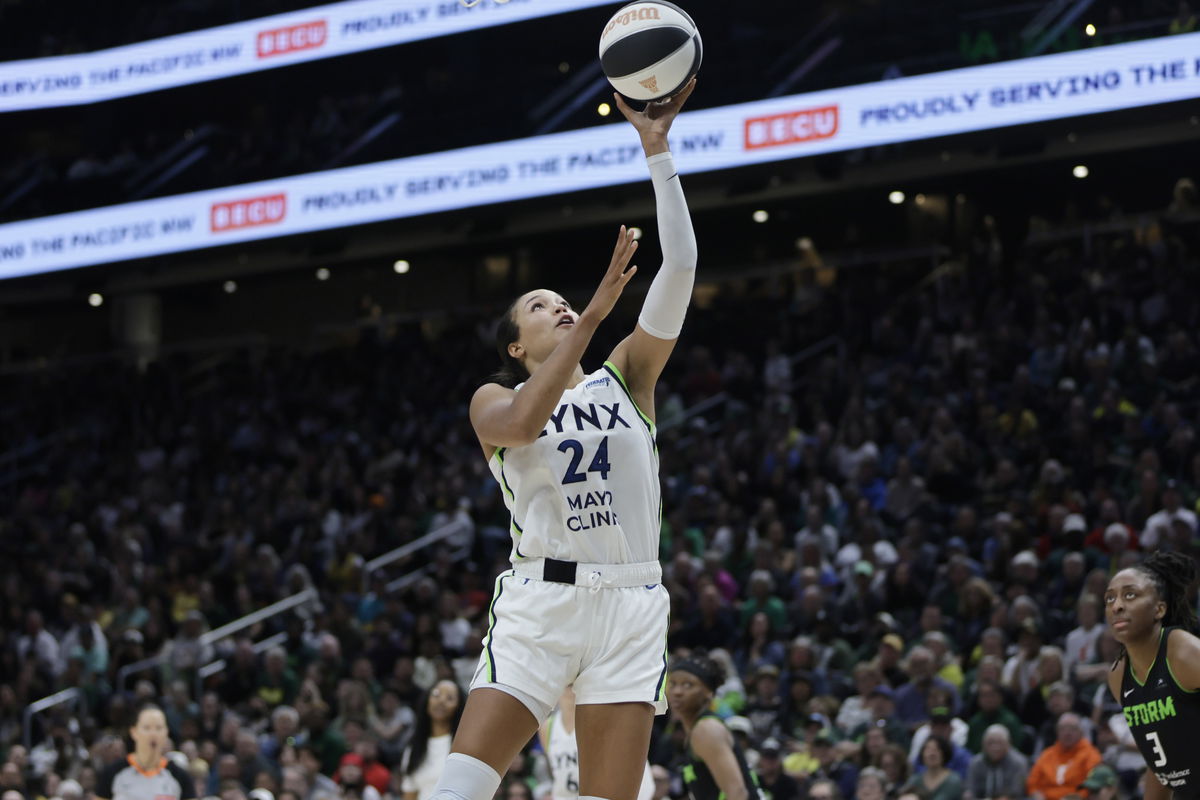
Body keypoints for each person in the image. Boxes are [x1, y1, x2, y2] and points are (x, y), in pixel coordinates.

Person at [447, 78, 699, 800]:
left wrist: (658, 152)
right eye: (540, 307)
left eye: (563, 302)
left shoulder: (626, 379)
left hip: (631, 602)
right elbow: (526, 425)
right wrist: (589, 317)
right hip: (542, 603)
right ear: (517, 346)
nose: (558, 308)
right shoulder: (493, 399)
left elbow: (679, 269)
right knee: (458, 791)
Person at [1105, 551, 1200, 800]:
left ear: (1159, 609)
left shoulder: (1182, 652)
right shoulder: (1118, 676)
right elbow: (1161, 761)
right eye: (1109, 598)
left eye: (1130, 595)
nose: (1117, 605)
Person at [666, 654, 763, 800]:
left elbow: (737, 793)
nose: (677, 691)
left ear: (709, 693)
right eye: (672, 683)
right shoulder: (696, 730)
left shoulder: (707, 729)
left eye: (688, 685)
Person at [540, 687, 654, 800]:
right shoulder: (547, 727)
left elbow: (643, 781)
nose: (572, 689)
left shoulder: (602, 719)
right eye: (568, 685)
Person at [96, 705, 195, 800]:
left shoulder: (180, 777)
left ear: (166, 732)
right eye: (147, 728)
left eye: (158, 728)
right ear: (133, 732)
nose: (153, 734)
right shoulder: (113, 773)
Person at [401, 681, 465, 800]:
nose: (441, 701)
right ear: (427, 699)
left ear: (459, 706)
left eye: (449, 698)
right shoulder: (414, 747)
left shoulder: (464, 745)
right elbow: (409, 795)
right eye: (436, 694)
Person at [1024, 714, 1100, 800]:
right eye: (1063, 729)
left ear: (1081, 732)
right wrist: (1035, 793)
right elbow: (1032, 782)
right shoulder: (1047, 754)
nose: (1067, 733)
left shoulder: (1091, 755)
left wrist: (1078, 797)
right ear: (1057, 732)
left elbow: (1094, 784)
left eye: (1072, 729)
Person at [963, 726, 1027, 800]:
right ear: (983, 744)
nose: (995, 747)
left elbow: (1016, 793)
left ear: (1009, 744)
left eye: (1000, 743)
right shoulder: (975, 763)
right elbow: (970, 790)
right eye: (990, 743)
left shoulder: (1018, 763)